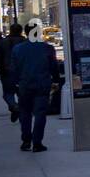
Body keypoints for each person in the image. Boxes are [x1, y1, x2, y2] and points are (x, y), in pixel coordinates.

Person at [11, 19, 61, 152]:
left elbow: (14, 69)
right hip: (42, 85)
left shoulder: (18, 49)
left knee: (25, 114)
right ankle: (37, 142)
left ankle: (26, 141)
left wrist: (16, 83)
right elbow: (54, 67)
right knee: (40, 114)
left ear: (26, 33)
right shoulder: (47, 48)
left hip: (24, 85)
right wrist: (56, 81)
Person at [0, 22, 25, 122]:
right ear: (21, 31)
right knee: (22, 94)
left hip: (7, 72)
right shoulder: (25, 42)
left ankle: (14, 107)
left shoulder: (3, 42)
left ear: (10, 31)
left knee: (8, 94)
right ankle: (20, 109)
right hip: (23, 73)